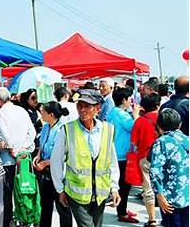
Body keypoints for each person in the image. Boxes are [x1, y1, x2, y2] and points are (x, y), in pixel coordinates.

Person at [50, 89, 121, 227]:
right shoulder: (67, 130)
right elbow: (56, 161)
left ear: (97, 109)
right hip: (76, 195)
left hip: (100, 194)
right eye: (80, 106)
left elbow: (112, 160)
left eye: (87, 106)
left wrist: (114, 187)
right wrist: (60, 189)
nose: (82, 110)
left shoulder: (107, 129)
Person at [0, 87, 36, 227]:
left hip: (7, 160)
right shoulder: (21, 110)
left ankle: (9, 221)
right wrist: (24, 148)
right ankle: (24, 219)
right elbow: (32, 132)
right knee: (23, 190)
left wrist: (13, 149)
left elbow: (3, 133)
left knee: (7, 195)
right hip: (24, 159)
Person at [32, 102, 73, 227]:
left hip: (59, 173)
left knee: (63, 207)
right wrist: (38, 155)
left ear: (51, 114)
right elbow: (42, 144)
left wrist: (45, 163)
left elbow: (64, 156)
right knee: (45, 206)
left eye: (43, 111)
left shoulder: (62, 129)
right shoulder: (45, 127)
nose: (41, 114)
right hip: (45, 173)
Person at [150, 108, 189, 227]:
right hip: (186, 196)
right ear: (180, 124)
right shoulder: (187, 140)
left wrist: (159, 195)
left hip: (169, 198)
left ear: (159, 126)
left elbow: (155, 171)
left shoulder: (162, 142)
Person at [106, 87, 140, 223]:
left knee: (121, 184)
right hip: (122, 154)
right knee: (124, 185)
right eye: (129, 99)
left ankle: (122, 208)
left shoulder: (112, 112)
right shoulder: (123, 115)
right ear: (124, 100)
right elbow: (135, 128)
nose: (131, 102)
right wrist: (136, 115)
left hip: (115, 152)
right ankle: (122, 212)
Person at [130, 93, 160, 227]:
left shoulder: (140, 121)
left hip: (144, 158)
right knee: (163, 187)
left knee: (148, 189)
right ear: (158, 105)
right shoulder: (163, 118)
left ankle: (152, 219)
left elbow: (134, 142)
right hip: (162, 157)